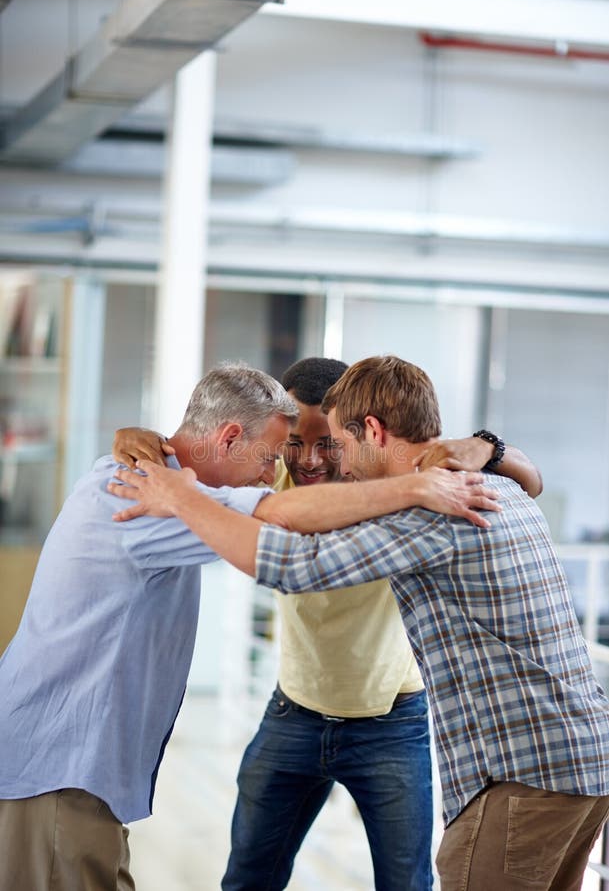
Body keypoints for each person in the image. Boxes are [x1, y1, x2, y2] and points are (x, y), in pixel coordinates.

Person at [109, 355, 609, 891]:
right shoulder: (491, 483)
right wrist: (142, 439)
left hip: (513, 766)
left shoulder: (434, 510)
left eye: (340, 446)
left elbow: (296, 565)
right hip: (577, 760)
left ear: (371, 430)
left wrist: (179, 497)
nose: (339, 465)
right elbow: (212, 452)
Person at [0, 361, 499, 891]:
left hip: (74, 768)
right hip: (59, 766)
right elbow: (280, 515)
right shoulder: (143, 495)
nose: (273, 471)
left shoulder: (157, 484)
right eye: (269, 458)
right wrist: (418, 488)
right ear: (231, 437)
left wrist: (485, 447)